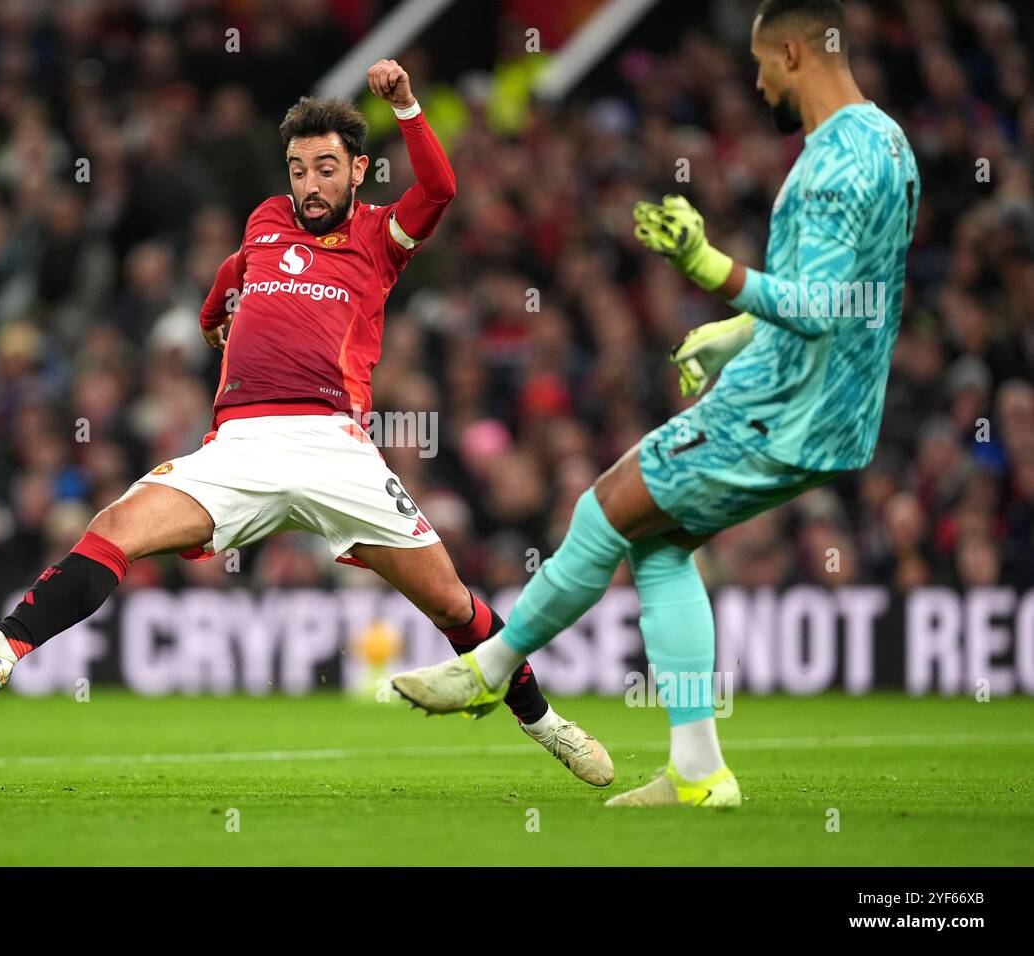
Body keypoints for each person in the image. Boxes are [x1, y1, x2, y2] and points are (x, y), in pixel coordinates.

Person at [0, 60, 612, 788]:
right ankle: (1, 647)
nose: (310, 184)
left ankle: (545, 723)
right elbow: (234, 274)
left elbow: (441, 188)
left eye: (326, 168)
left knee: (454, 604)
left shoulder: (377, 237)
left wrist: (406, 105)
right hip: (240, 444)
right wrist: (212, 320)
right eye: (299, 168)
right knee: (115, 526)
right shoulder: (266, 220)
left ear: (358, 171)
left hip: (333, 448)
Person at [392, 0, 919, 808]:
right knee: (657, 541)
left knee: (604, 507)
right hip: (834, 409)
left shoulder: (837, 164)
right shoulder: (887, 141)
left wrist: (709, 266)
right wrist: (734, 334)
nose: (754, 81)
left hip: (785, 406)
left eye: (759, 64)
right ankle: (700, 773)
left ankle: (491, 668)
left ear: (791, 53)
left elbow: (817, 305)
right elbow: (859, 301)